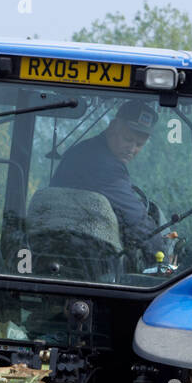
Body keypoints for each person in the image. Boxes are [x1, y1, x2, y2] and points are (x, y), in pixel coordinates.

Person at [51, 100, 160, 262]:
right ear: (113, 126)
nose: (132, 149)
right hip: (80, 255)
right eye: (128, 139)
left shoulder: (86, 150)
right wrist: (161, 251)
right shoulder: (103, 164)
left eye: (139, 144)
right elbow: (135, 220)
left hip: (64, 246)